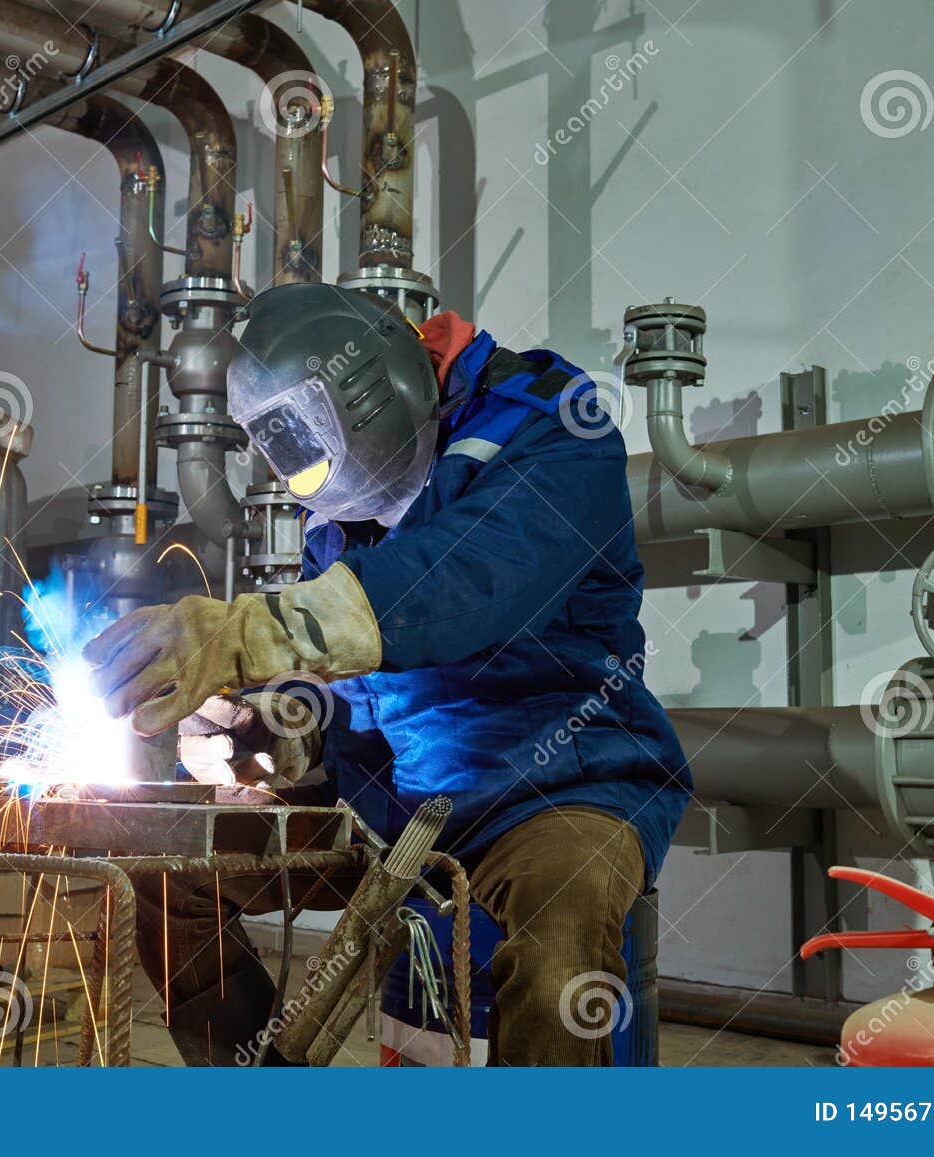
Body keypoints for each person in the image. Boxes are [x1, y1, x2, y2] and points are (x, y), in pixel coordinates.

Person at [84, 283, 690, 1065]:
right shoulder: (332, 513)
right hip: (396, 804)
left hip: (555, 788)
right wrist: (278, 731)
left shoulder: (551, 423)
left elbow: (460, 584)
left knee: (558, 949)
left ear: (380, 392)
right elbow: (348, 696)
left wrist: (249, 631)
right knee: (170, 875)